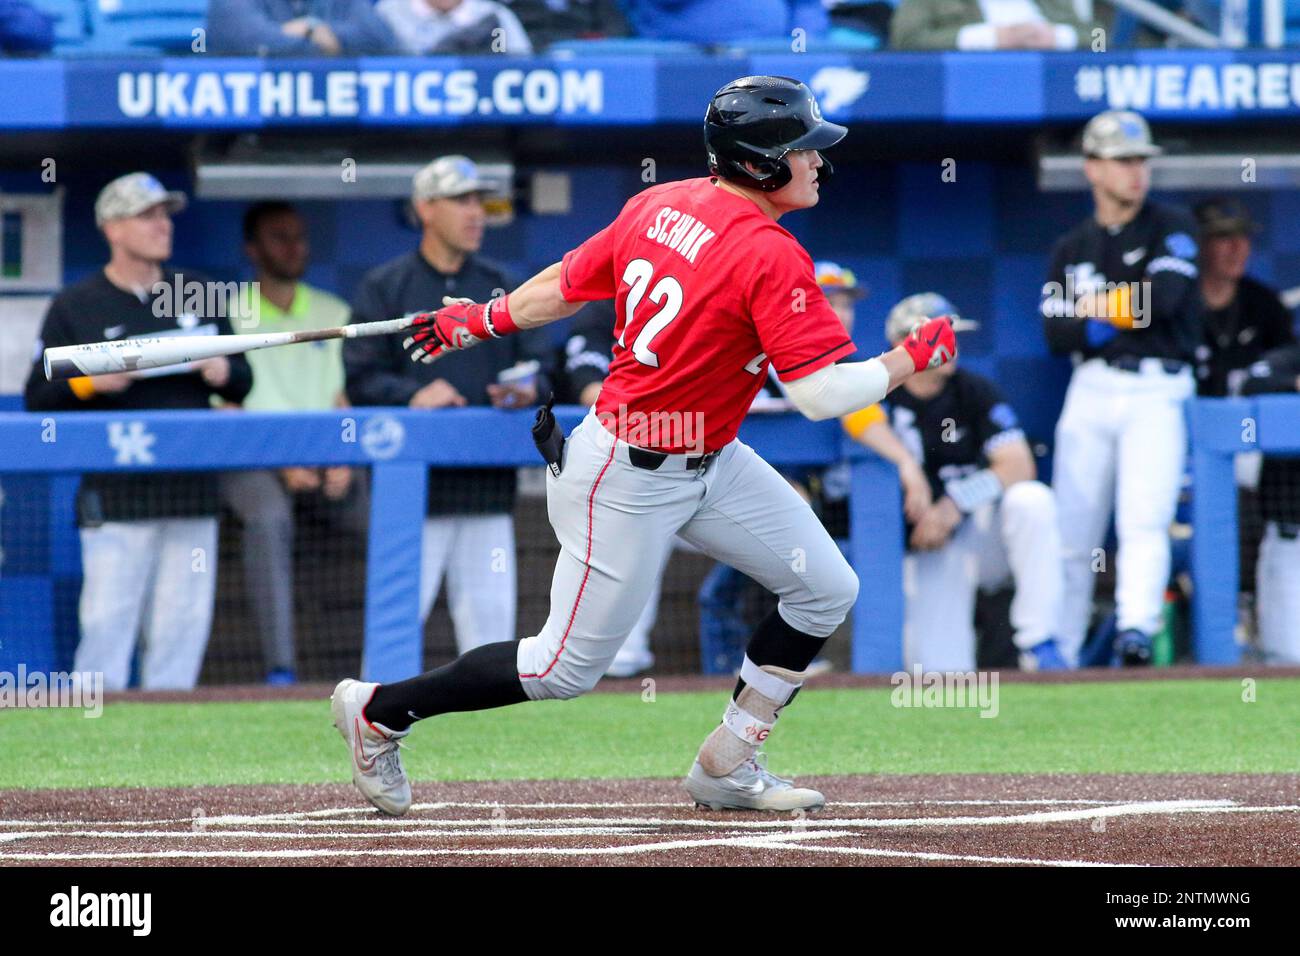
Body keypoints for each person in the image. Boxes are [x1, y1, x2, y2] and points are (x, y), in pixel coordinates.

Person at [329, 75, 957, 815]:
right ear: (759, 162)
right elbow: (819, 397)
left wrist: (484, 317)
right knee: (561, 668)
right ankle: (378, 712)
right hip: (625, 473)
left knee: (826, 587)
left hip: (709, 458)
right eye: (802, 149)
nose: (818, 161)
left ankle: (728, 762)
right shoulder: (769, 251)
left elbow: (564, 284)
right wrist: (909, 357)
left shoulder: (660, 203)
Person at [23, 173, 253, 690]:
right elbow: (38, 393)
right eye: (147, 215)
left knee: (181, 629)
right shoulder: (76, 304)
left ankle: (167, 755)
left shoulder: (196, 291)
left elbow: (244, 378)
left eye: (165, 214)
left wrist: (223, 372)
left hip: (191, 487)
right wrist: (88, 383)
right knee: (107, 625)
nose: (162, 225)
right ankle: (87, 751)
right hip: (117, 494)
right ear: (113, 228)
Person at [344, 155, 554, 657]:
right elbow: (359, 376)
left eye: (479, 200)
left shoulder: (503, 284)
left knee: (491, 629)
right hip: (411, 492)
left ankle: (492, 733)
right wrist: (412, 395)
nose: (476, 212)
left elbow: (543, 364)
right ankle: (379, 722)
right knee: (398, 626)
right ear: (425, 209)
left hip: (486, 485)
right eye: (461, 201)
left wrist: (526, 387)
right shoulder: (386, 285)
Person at [1042, 110, 1201, 667]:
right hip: (1090, 387)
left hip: (1156, 389)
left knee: (1144, 518)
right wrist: (1119, 309)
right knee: (1071, 527)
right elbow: (1055, 333)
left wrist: (1094, 309)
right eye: (1124, 161)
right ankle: (1056, 647)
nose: (1137, 172)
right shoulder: (1072, 246)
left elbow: (1164, 300)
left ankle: (1136, 630)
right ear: (1092, 168)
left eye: (1142, 161)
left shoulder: (1171, 225)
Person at [847, 293, 1067, 672]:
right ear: (906, 343)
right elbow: (849, 412)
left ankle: (1039, 642)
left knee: (1032, 501)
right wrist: (906, 465)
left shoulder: (973, 390)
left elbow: (1018, 465)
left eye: (954, 336)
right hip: (924, 546)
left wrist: (953, 505)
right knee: (942, 674)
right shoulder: (876, 387)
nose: (952, 346)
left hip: (977, 532)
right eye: (941, 336)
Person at [220, 201, 363, 685]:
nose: (293, 246)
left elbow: (342, 395)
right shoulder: (228, 312)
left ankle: (385, 664)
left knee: (382, 511)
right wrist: (280, 461)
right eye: (279, 237)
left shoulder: (333, 310)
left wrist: (343, 456)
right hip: (254, 458)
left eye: (299, 236)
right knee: (268, 518)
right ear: (251, 248)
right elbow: (226, 405)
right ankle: (281, 671)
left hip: (325, 457)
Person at [1193, 198, 1295, 399]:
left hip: (1249, 419)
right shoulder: (1177, 301)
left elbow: (1288, 357)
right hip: (1184, 418)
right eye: (1224, 237)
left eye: (1243, 236)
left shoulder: (1265, 302)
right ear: (1200, 243)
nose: (1237, 247)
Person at [1239, 343, 1300, 665]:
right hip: (1290, 537)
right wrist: (1295, 384)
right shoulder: (1289, 358)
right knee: (1287, 654)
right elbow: (1253, 383)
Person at [206, 0, 396, 55]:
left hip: (337, 130)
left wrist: (316, 29)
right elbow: (247, 40)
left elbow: (381, 40)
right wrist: (315, 38)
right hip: (244, 137)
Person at [889, 0, 1094, 49]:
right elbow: (905, 41)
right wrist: (992, 37)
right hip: (968, 90)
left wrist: (1058, 36)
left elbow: (1101, 38)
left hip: (1053, 88)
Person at [376, 0, 532, 53]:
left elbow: (520, 67)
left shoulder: (494, 17)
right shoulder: (388, 13)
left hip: (481, 122)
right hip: (402, 124)